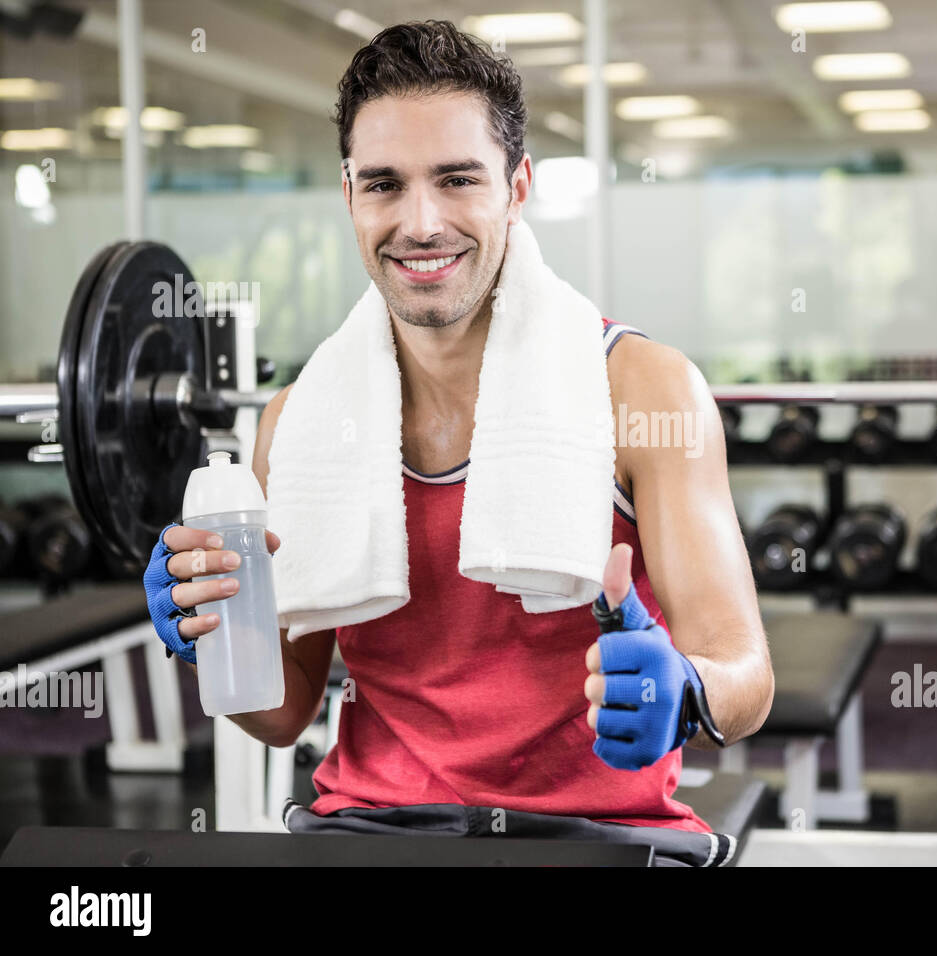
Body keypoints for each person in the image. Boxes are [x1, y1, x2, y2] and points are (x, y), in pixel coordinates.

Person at [143, 19, 771, 866]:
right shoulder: (298, 422)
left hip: (594, 843)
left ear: (516, 188)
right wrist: (210, 632)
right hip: (368, 836)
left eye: (456, 179)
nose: (422, 222)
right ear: (349, 197)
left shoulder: (643, 390)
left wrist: (691, 690)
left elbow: (746, 677)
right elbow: (283, 711)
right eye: (386, 185)